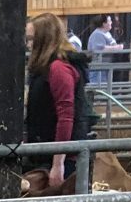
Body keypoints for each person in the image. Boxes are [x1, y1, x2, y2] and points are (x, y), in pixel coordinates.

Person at [25, 11, 87, 189]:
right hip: (45, 151)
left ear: (44, 40)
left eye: (31, 39)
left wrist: (57, 164)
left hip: (60, 159)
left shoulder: (59, 69)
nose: (28, 44)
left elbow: (66, 116)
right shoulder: (46, 68)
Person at [86, 15, 122, 86]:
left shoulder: (107, 34)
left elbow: (113, 44)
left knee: (105, 87)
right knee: (98, 88)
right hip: (98, 68)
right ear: (104, 23)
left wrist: (116, 46)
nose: (111, 22)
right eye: (109, 21)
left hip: (105, 67)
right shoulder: (97, 34)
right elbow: (100, 49)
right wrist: (117, 48)